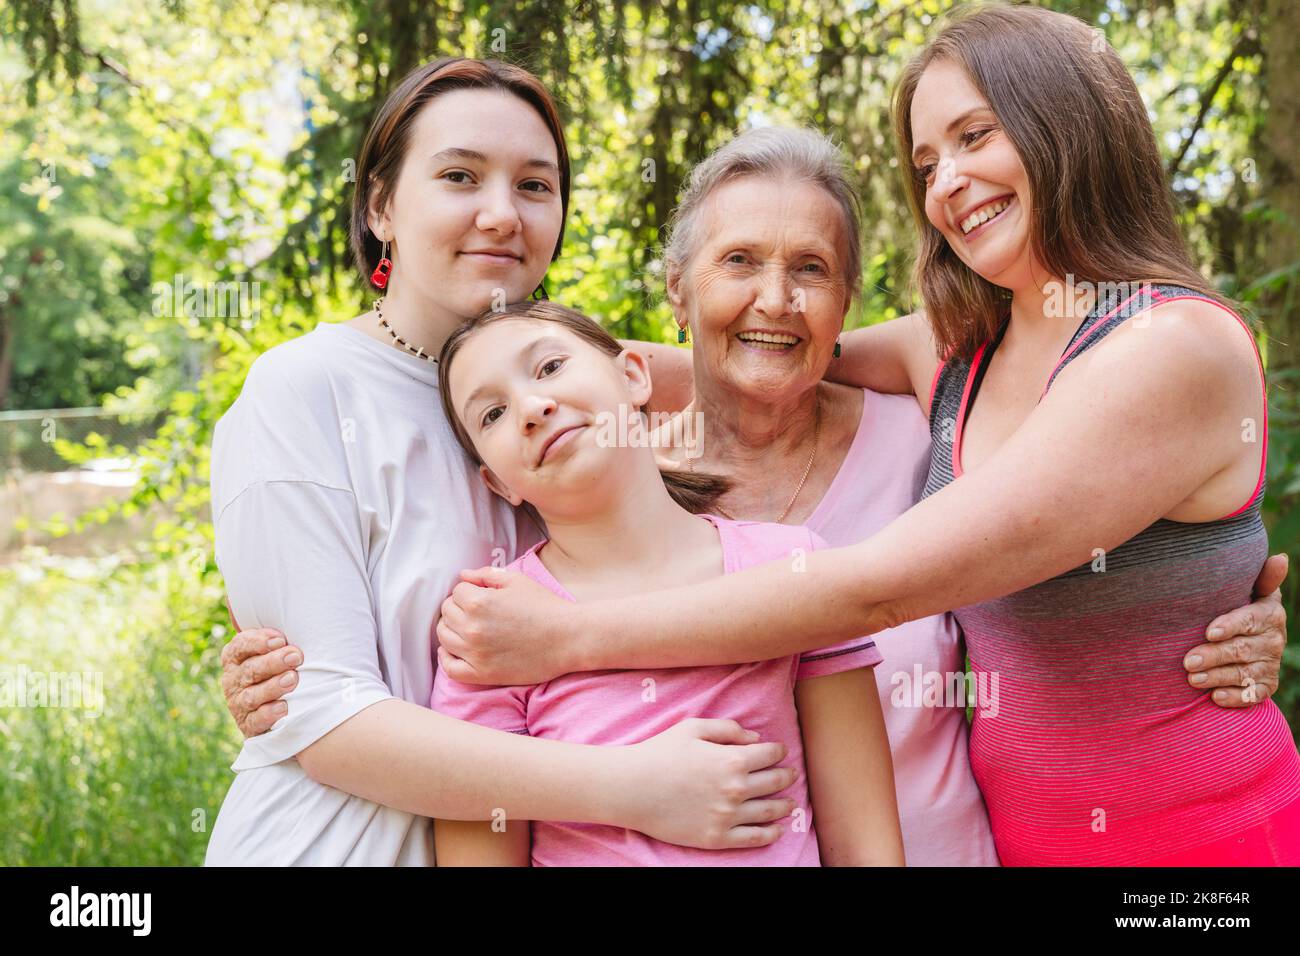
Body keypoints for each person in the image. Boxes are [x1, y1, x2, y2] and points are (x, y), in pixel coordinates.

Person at [431, 5, 1300, 865]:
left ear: (1065, 123)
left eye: (975, 135)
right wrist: (538, 380)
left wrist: (569, 638)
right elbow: (775, 351)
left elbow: (872, 592)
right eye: (928, 162)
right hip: (1024, 843)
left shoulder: (1167, 348)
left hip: (1193, 845)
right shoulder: (962, 345)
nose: (948, 182)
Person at [204, 56, 794, 866]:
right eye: (459, 176)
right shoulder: (304, 391)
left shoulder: (573, 397)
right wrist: (634, 788)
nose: (500, 214)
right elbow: (328, 721)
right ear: (380, 205)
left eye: (534, 185)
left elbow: (779, 367)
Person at [430, 300, 903, 865]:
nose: (532, 408)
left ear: (633, 376)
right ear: (496, 481)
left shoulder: (789, 566)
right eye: (492, 415)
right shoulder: (492, 627)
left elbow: (866, 845)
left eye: (550, 367)